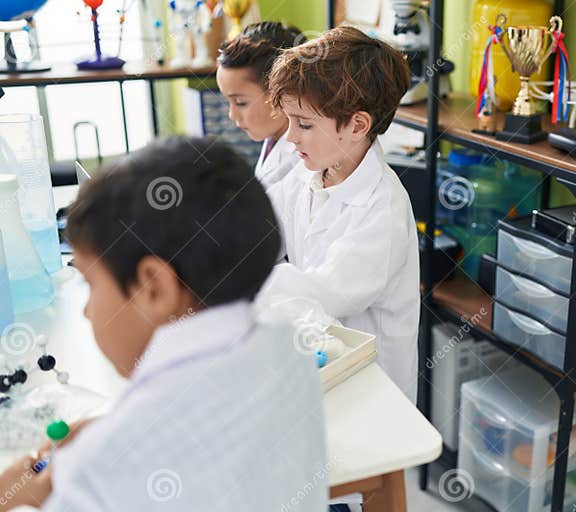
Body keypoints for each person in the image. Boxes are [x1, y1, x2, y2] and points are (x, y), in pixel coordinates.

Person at [0, 137, 326, 511]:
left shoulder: (94, 473)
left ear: (155, 287)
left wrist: (13, 498)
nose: (87, 311)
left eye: (89, 284)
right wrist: (114, 428)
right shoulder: (288, 349)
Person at [261, 26, 420, 403]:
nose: (290, 138)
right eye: (288, 121)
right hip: (325, 362)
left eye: (304, 124)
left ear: (357, 125)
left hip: (375, 390)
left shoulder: (384, 211)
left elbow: (323, 294)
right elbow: (261, 228)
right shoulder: (311, 173)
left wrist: (236, 282)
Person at [217, 21, 304, 188]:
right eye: (228, 101)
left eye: (240, 102)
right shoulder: (273, 136)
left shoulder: (305, 161)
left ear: (281, 94)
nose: (232, 115)